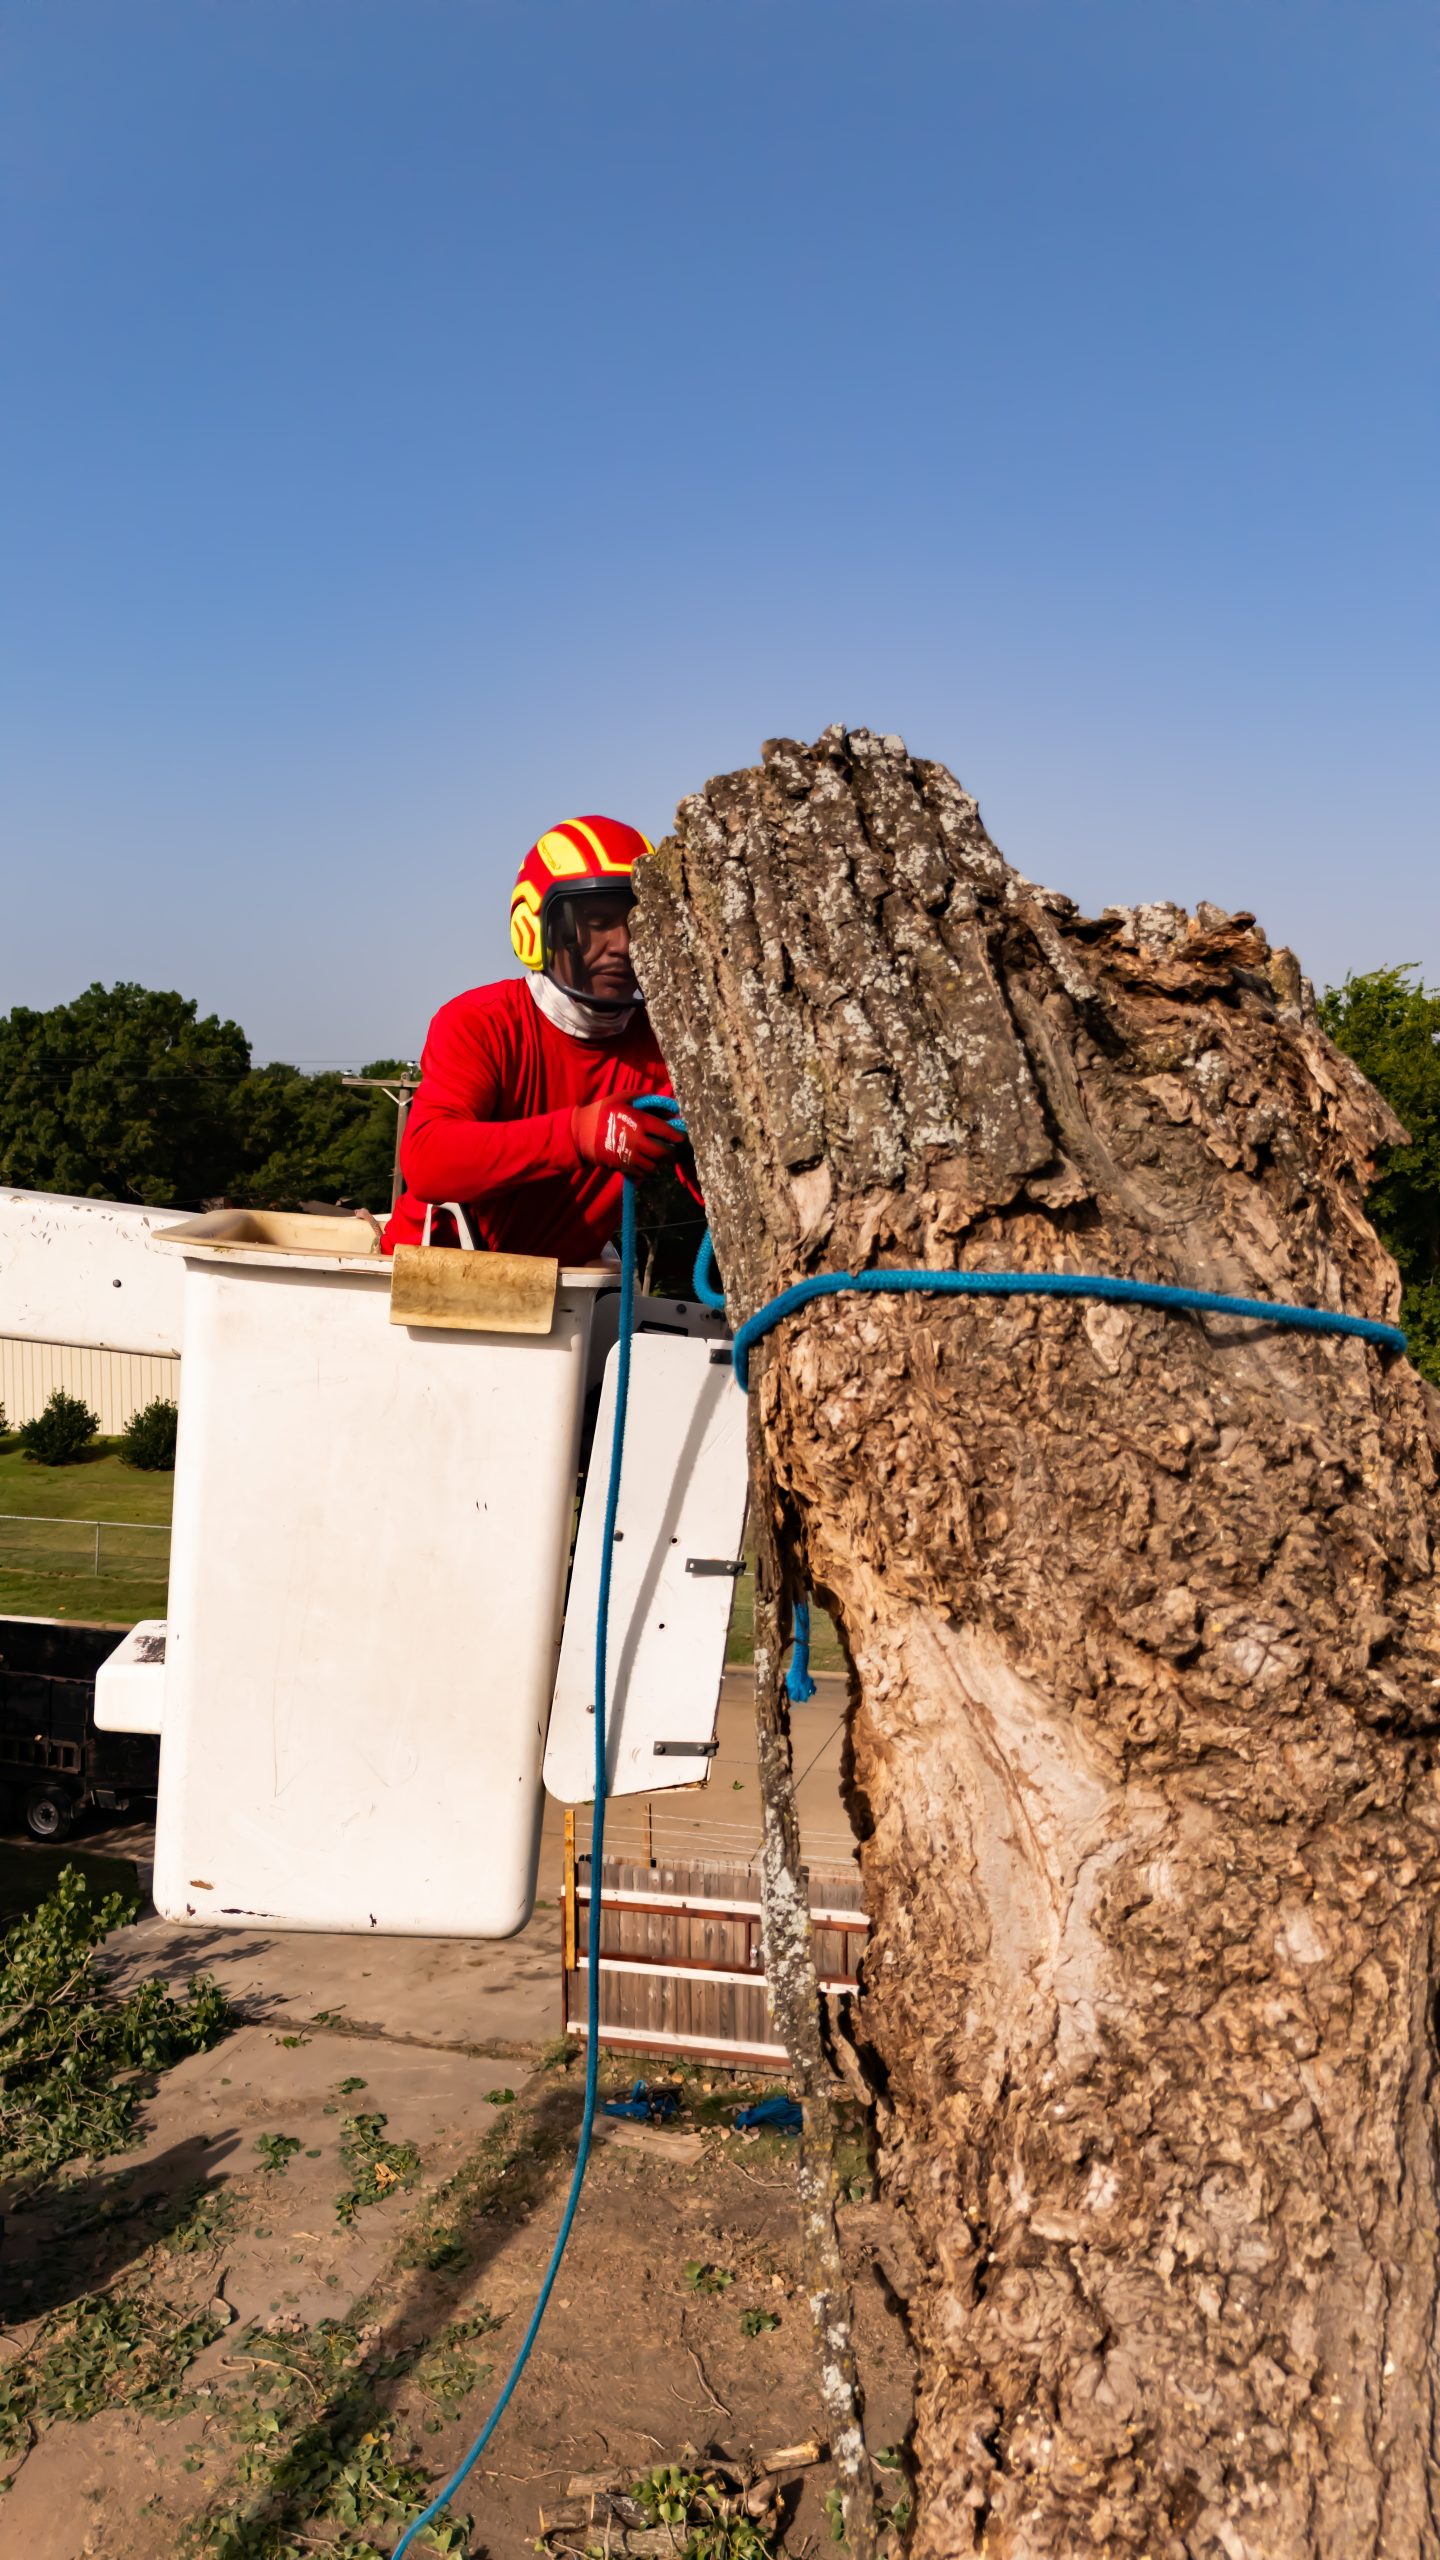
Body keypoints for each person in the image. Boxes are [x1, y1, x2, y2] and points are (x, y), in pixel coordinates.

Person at [381, 815, 683, 1263]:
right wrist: (579, 1134)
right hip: (423, 1275)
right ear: (533, 929)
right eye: (598, 921)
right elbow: (428, 1162)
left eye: (637, 924)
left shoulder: (671, 1046)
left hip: (560, 1290)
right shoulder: (480, 1022)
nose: (623, 944)